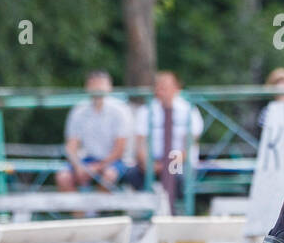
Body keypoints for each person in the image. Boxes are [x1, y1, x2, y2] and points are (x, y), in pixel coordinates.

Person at [55, 69, 142, 194]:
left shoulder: (120, 111)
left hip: (116, 161)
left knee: (109, 176)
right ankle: (81, 212)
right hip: (87, 160)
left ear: (109, 87)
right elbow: (71, 146)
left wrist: (97, 167)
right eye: (94, 84)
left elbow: (119, 150)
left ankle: (95, 211)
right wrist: (78, 166)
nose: (97, 88)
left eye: (100, 84)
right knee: (63, 177)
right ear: (87, 87)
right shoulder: (79, 110)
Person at [136, 71, 204, 213]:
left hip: (179, 161)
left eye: (165, 87)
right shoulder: (146, 111)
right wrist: (149, 164)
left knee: (178, 177)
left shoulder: (189, 110)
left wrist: (168, 164)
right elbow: (140, 144)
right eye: (158, 87)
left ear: (176, 88)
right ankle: (148, 216)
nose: (161, 91)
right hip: (153, 161)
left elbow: (190, 145)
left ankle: (175, 214)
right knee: (134, 175)